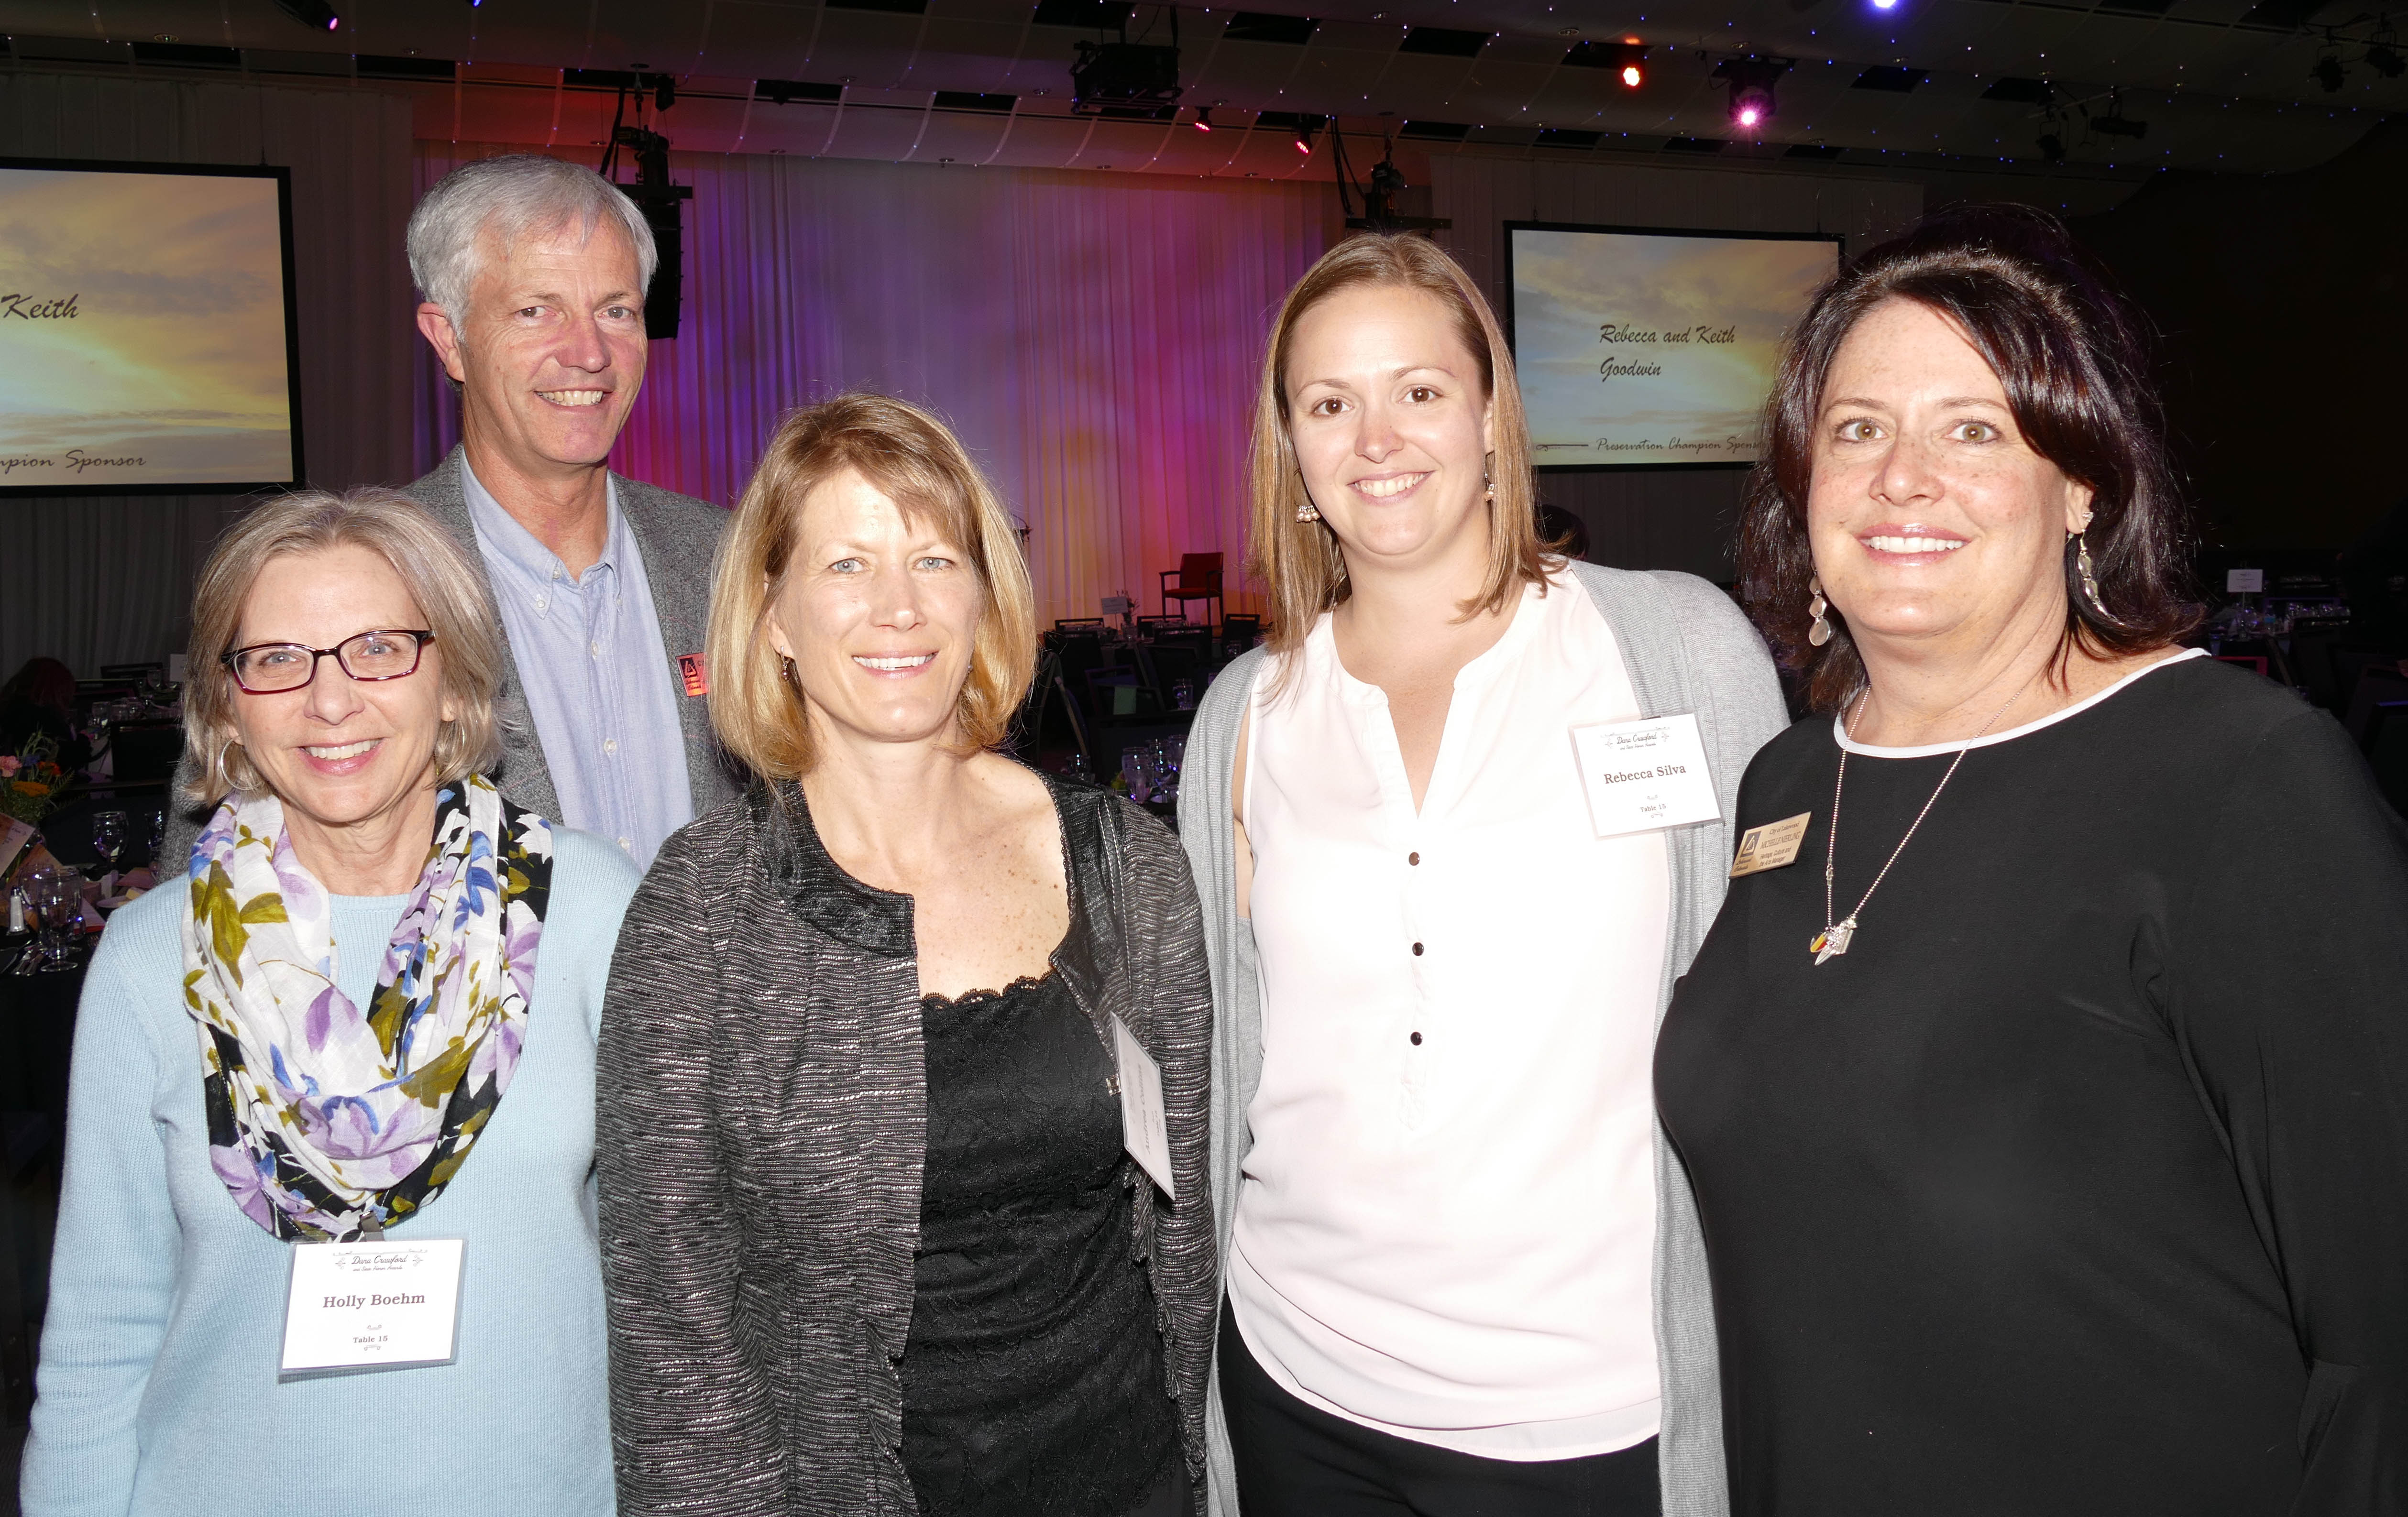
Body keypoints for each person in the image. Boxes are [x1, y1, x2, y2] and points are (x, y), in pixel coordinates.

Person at [1655, 207, 2408, 1515]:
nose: (1901, 477)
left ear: (2083, 485)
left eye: (1973, 426)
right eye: (1856, 427)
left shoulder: (2238, 776)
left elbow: (2382, 1330)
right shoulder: (1786, 780)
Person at [1176, 233, 1786, 1517]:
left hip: (1588, 1403)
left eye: (1419, 389)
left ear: (1492, 409)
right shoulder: (1246, 714)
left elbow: (1780, 1009)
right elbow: (1230, 1045)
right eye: (1328, 403)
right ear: (1290, 446)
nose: (1376, 437)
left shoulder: (1672, 647)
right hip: (1300, 1377)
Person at [597, 394, 1217, 1517]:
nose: (898, 607)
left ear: (984, 596)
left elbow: (1186, 1232)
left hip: (1133, 1474)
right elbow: (674, 1334)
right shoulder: (701, 914)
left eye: (935, 559)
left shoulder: (1128, 867)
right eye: (845, 564)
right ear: (772, 613)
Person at [21, 489, 640, 1516]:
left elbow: (677, 1280)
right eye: (276, 658)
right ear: (227, 702)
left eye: (378, 647)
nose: (330, 699)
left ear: (452, 678)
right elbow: (101, 1333)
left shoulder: (588, 909)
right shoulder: (147, 959)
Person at [164, 153, 735, 870]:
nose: (590, 353)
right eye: (536, 311)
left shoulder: (727, 558)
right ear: (447, 339)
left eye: (615, 310)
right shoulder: (349, 582)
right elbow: (211, 887)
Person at [0, 655, 92, 771]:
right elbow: (63, 761)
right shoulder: (43, 717)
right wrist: (82, 745)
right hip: (36, 784)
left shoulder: (9, 708)